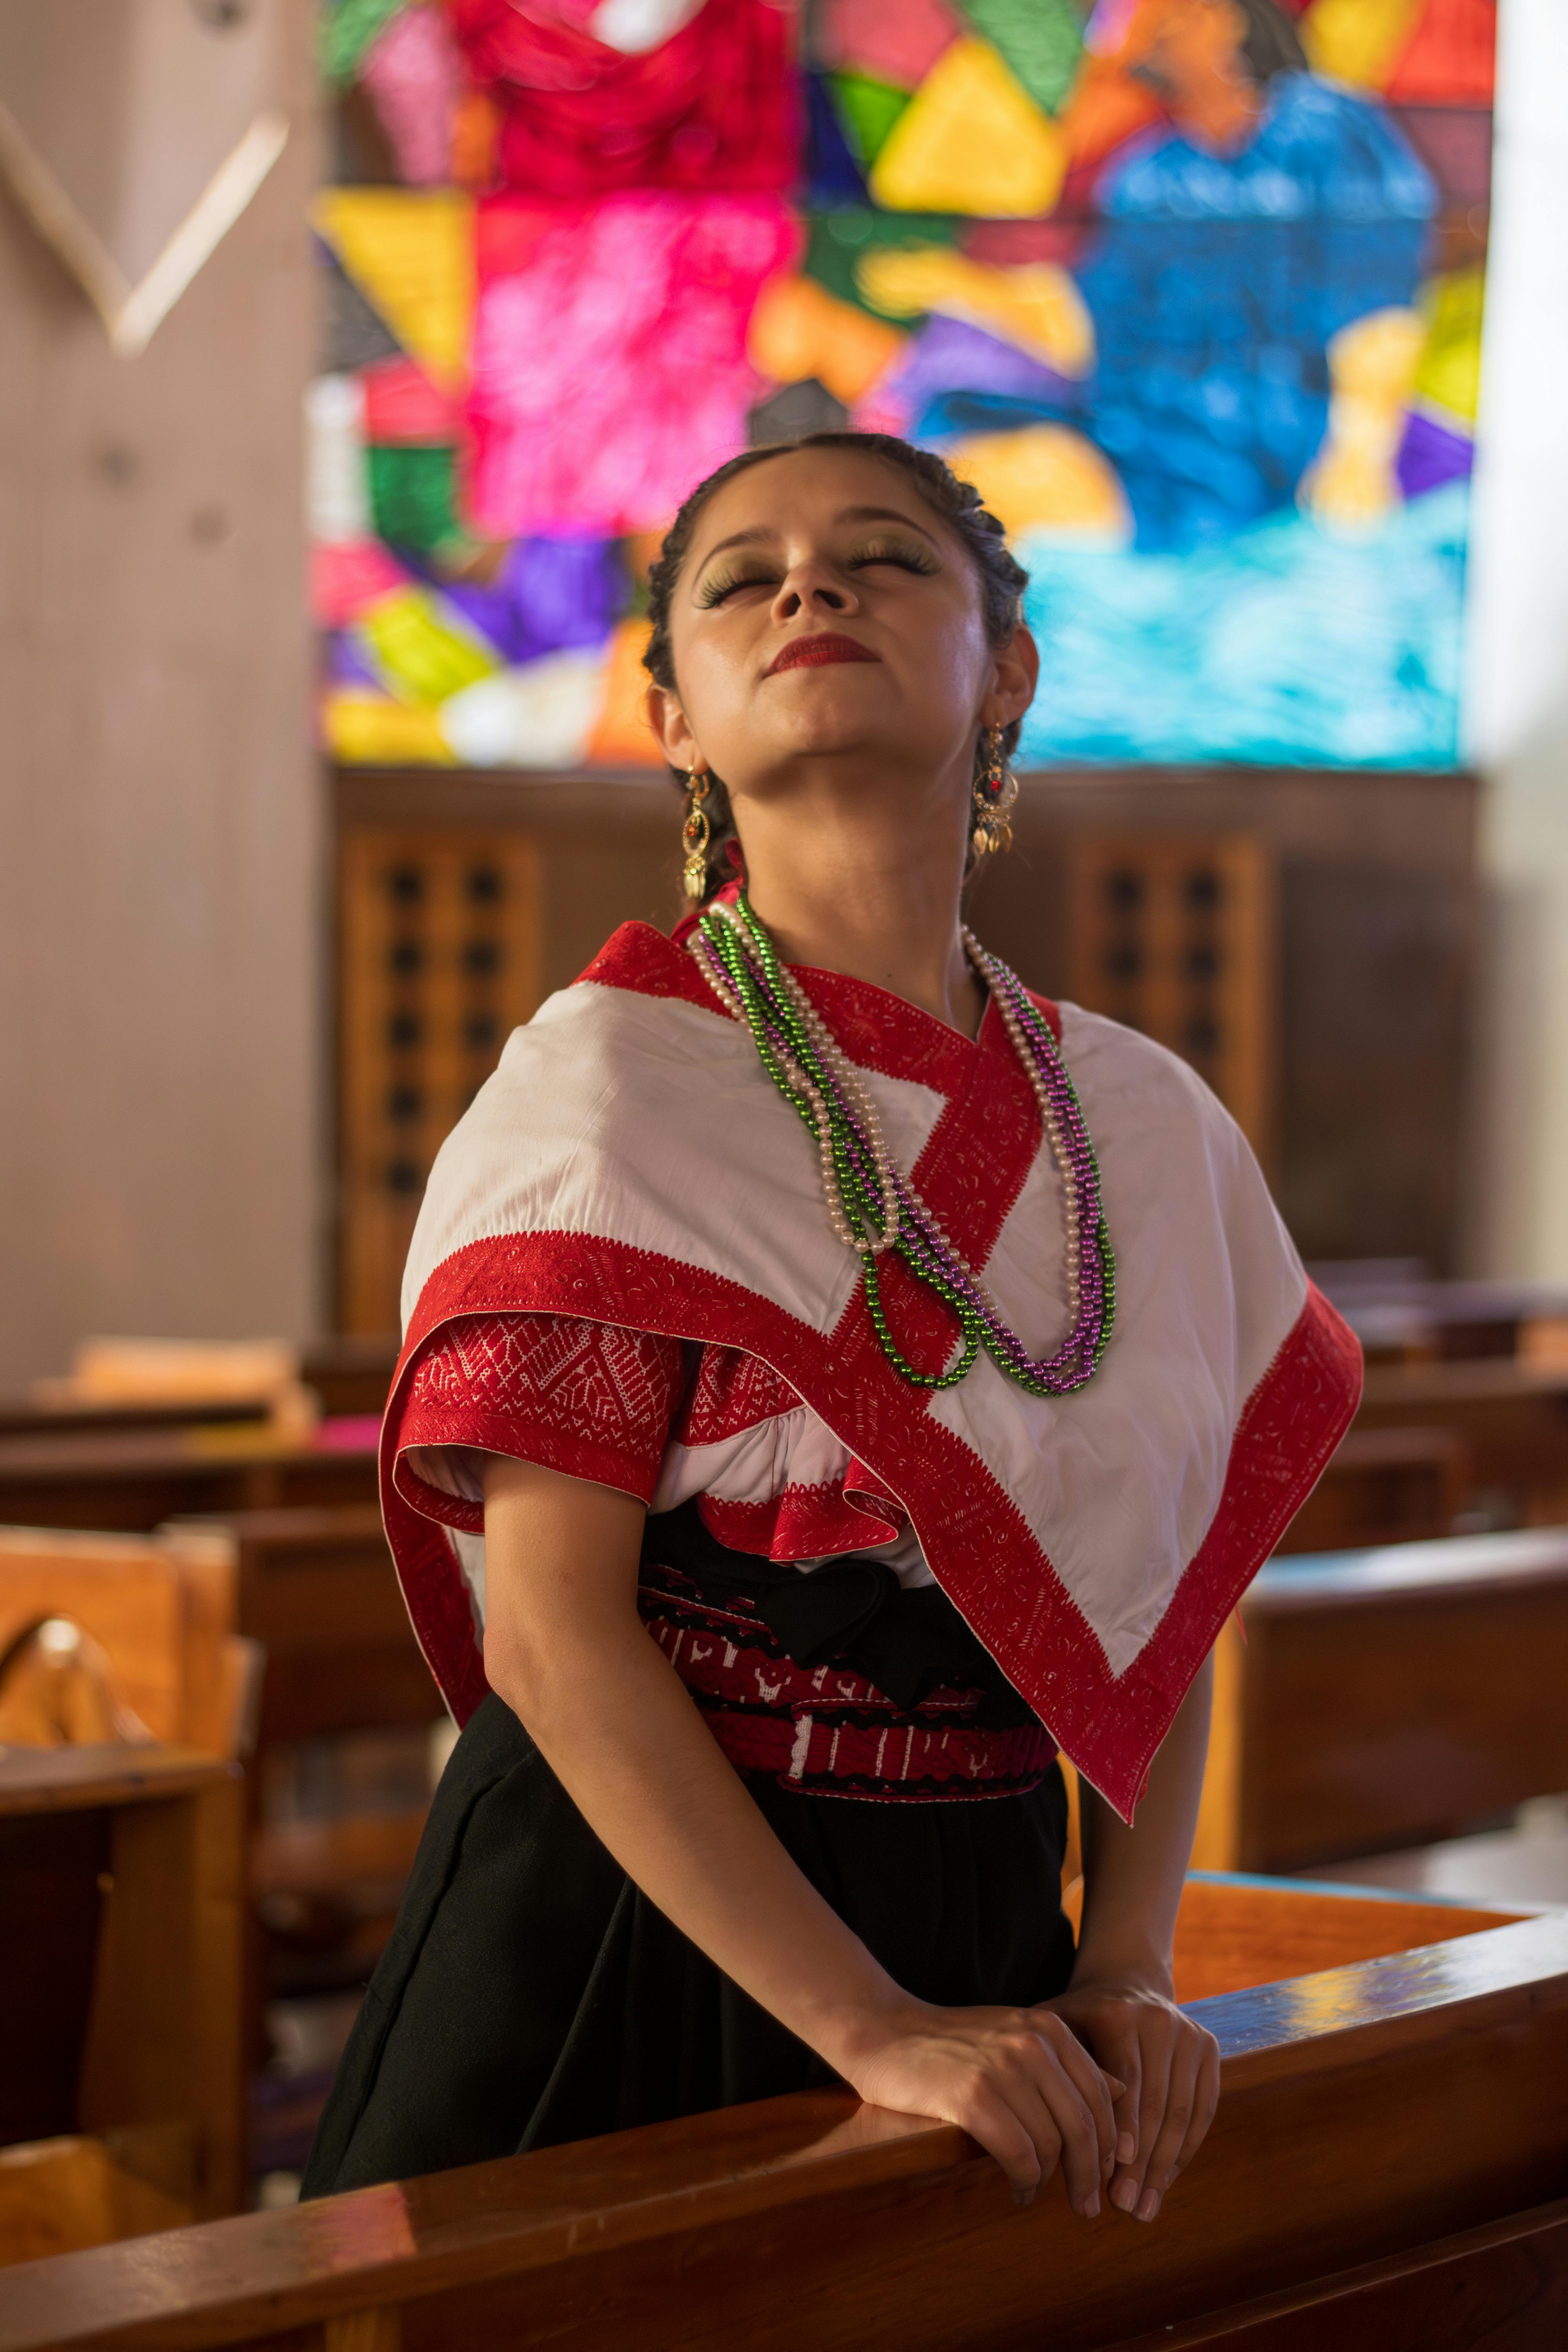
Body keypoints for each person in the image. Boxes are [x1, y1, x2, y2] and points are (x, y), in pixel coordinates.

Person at [303, 432, 1361, 2221]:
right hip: (629, 1922)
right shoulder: (608, 1092)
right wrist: (865, 2025)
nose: (809, 587)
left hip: (989, 1902)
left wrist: (1126, 1967)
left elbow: (1160, 1590)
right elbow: (551, 1639)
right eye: (741, 576)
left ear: (1004, 667)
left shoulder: (1144, 1121)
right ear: (672, 718)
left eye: (882, 558)